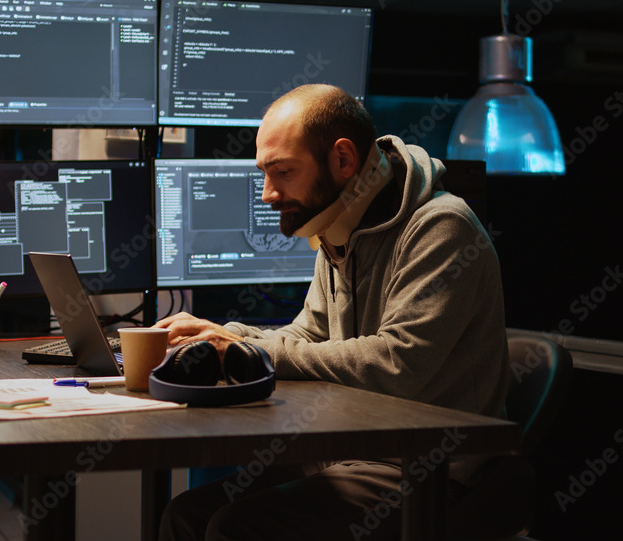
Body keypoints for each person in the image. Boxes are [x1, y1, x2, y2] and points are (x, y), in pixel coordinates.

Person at [155, 84, 509, 541]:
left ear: (343, 161)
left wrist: (243, 348)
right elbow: (309, 334)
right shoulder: (340, 228)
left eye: (282, 172)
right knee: (186, 515)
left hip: (431, 466)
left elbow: (396, 364)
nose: (267, 194)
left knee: (236, 528)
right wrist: (223, 334)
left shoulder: (441, 228)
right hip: (357, 449)